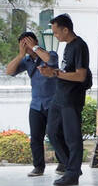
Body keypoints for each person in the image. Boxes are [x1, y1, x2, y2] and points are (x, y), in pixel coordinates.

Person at [40, 14, 90, 186]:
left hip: (72, 98)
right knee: (52, 133)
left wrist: (54, 73)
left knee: (72, 137)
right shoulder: (68, 46)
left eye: (56, 32)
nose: (55, 36)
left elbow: (81, 75)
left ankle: (72, 173)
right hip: (59, 96)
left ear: (66, 29)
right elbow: (65, 71)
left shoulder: (80, 46)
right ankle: (71, 166)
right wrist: (52, 71)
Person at [5, 31, 63, 177]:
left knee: (55, 134)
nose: (28, 47)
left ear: (36, 41)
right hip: (36, 104)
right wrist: (20, 54)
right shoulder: (26, 61)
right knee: (36, 137)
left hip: (53, 103)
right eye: (24, 44)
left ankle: (63, 162)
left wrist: (35, 47)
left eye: (29, 42)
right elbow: (9, 71)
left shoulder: (50, 53)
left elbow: (51, 61)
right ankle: (38, 167)